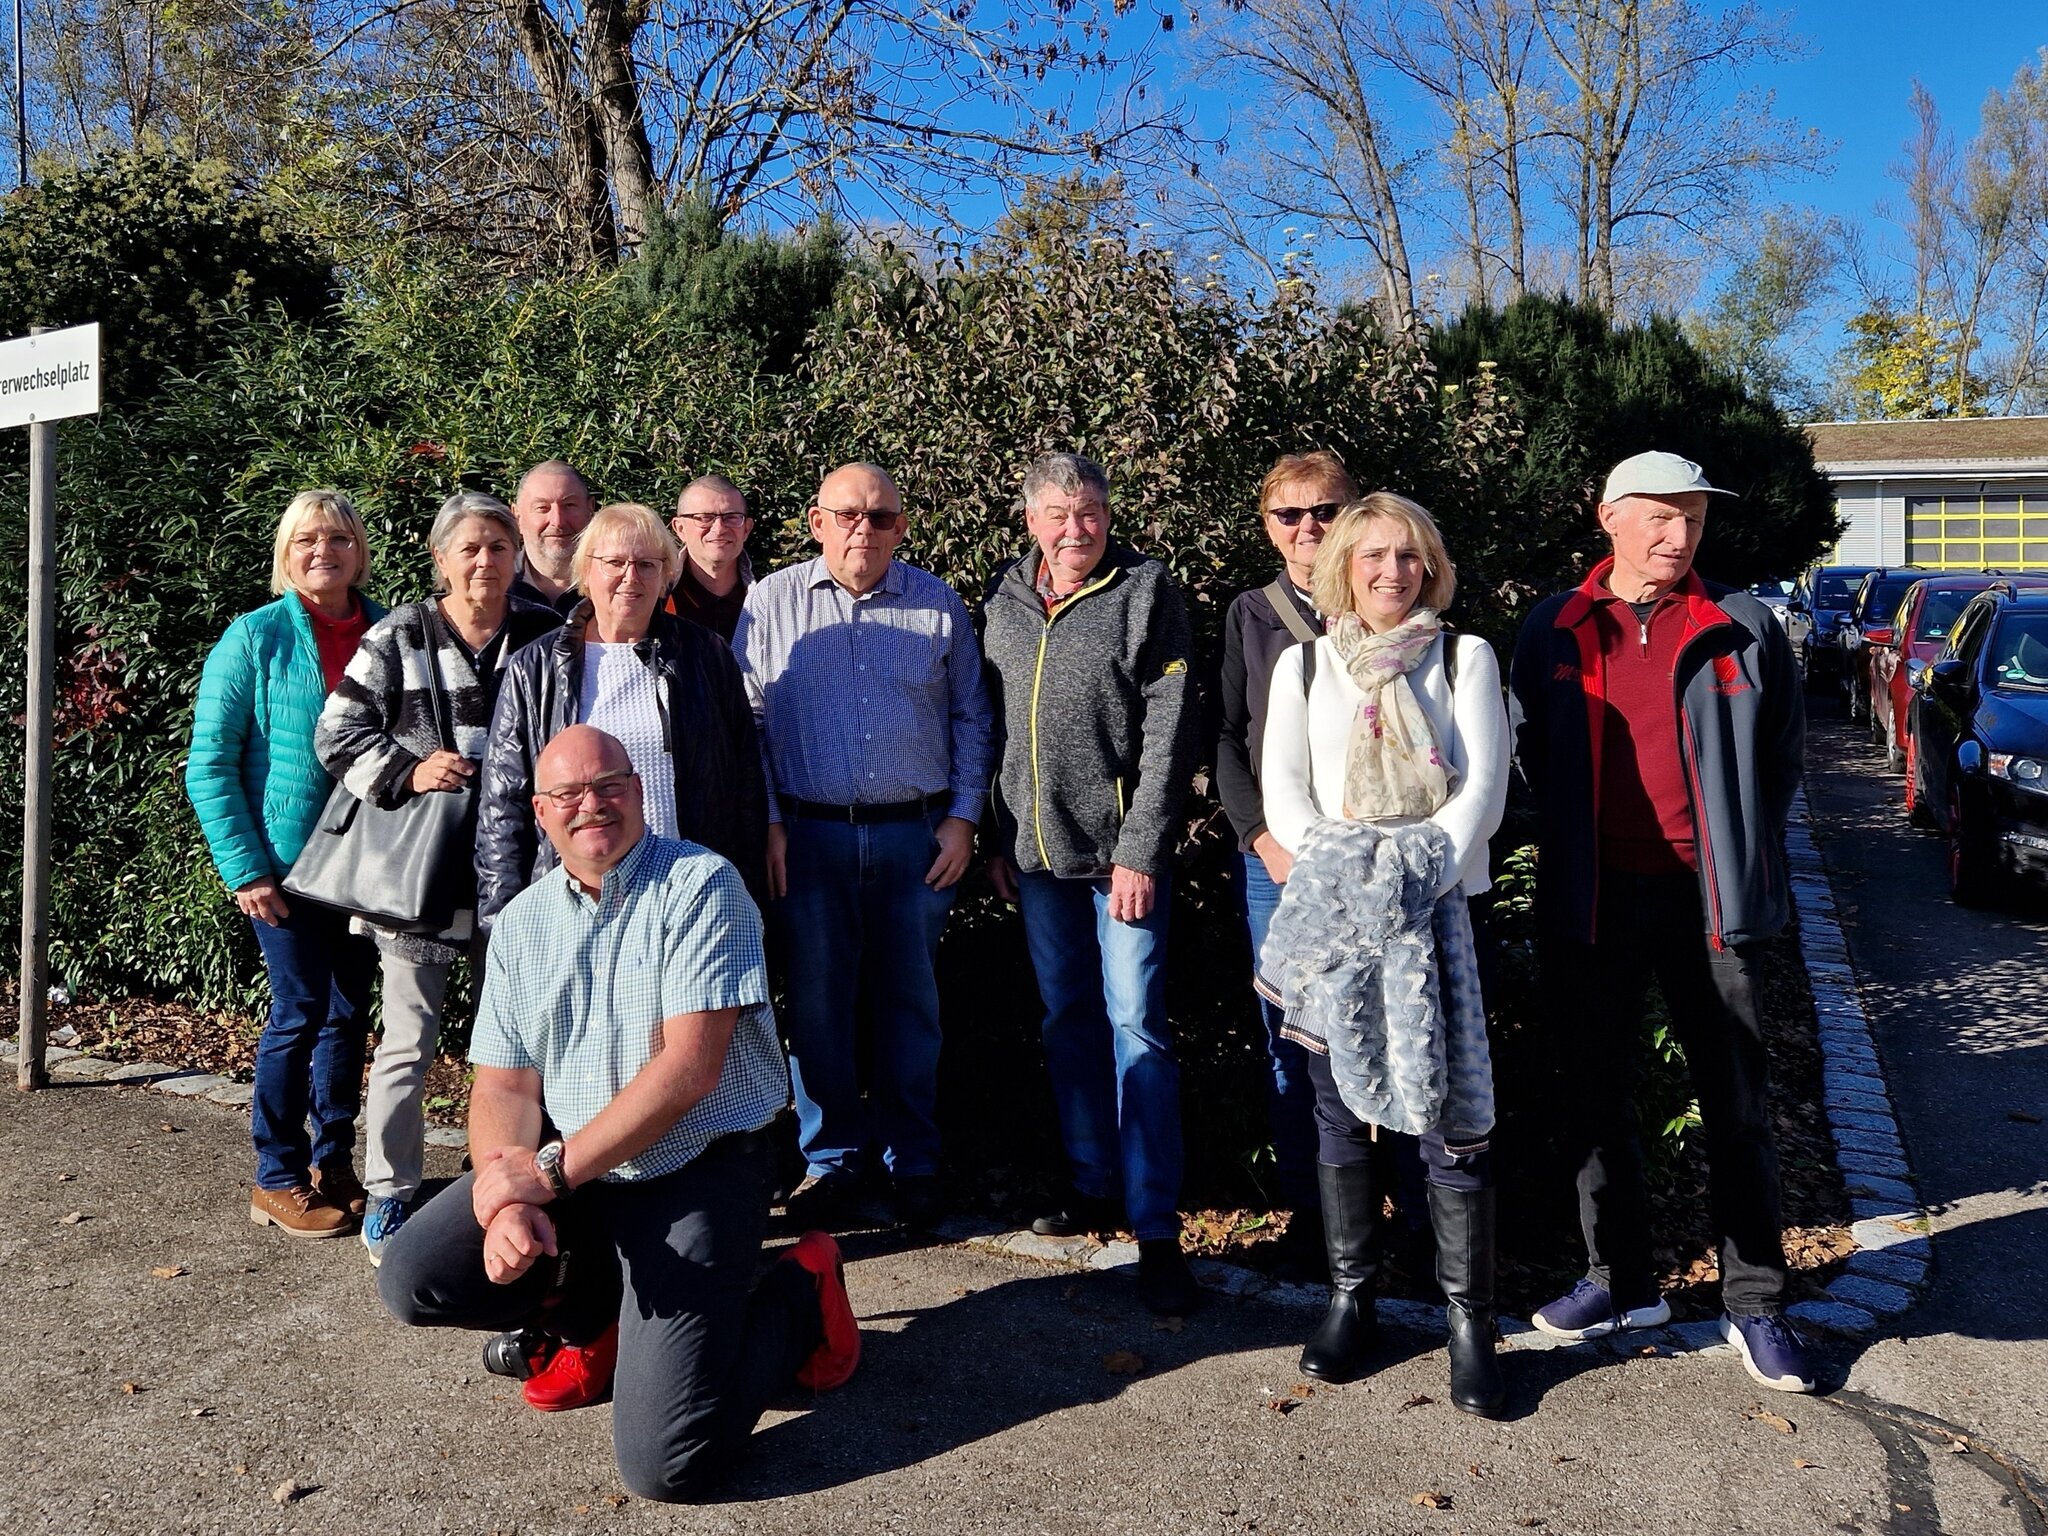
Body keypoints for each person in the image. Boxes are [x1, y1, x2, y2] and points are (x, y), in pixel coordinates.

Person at [377, 726, 858, 1502]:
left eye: (608, 786)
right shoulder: (525, 923)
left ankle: (802, 1288)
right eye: (567, 794)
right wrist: (505, 1201)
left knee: (670, 1466)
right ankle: (596, 1323)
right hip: (580, 1175)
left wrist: (546, 1175)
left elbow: (689, 1071)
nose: (590, 805)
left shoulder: (701, 886)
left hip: (699, 1169)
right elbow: (505, 1089)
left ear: (638, 792)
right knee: (415, 1277)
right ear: (540, 811)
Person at [1508, 450, 1813, 1393]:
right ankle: (1621, 1282)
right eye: (1659, 517)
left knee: (1737, 1108)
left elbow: (1778, 767)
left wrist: (1741, 859)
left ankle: (1755, 1303)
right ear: (1609, 520)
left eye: (1692, 518)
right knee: (1595, 1100)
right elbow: (1526, 762)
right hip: (1592, 899)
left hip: (1708, 904)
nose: (1679, 535)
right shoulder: (1551, 630)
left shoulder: (1746, 628)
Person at [1258, 492, 1509, 1417]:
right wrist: (1349, 868)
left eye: (1409, 557)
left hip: (1433, 909)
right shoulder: (1306, 667)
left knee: (1449, 1105)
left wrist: (1409, 865)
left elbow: (1479, 790)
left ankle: (1468, 1322)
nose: (1392, 572)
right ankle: (1351, 1298)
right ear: (1344, 568)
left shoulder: (1464, 658)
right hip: (1336, 921)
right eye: (1373, 557)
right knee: (1336, 1113)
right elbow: (1286, 793)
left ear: (1430, 566)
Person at [731, 462, 993, 1231]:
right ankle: (833, 1162)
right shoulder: (771, 602)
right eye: (847, 515)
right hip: (807, 839)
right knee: (817, 1008)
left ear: (901, 527)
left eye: (880, 517)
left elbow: (972, 718)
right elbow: (747, 725)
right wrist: (772, 822)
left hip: (917, 838)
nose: (863, 530)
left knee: (912, 1006)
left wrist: (965, 819)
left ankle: (913, 1160)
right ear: (817, 521)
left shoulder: (936, 604)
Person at [313, 492, 564, 1263]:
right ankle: (390, 1192)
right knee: (408, 1042)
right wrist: (410, 768)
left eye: (497, 546)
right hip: (418, 877)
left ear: (517, 555)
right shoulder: (402, 633)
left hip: (520, 873)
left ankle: (518, 1182)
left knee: (527, 1043)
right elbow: (337, 732)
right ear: (440, 559)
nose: (484, 561)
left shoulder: (547, 635)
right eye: (469, 549)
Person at [982, 452, 1203, 1316]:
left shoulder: (1147, 593)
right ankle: (1093, 1183)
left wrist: (1141, 849)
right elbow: (991, 726)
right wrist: (999, 838)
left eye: (1093, 513)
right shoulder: (1000, 604)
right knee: (1066, 1020)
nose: (1079, 530)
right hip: (1035, 863)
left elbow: (1171, 728)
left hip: (1121, 864)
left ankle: (1156, 1231)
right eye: (1062, 515)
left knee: (1138, 1028)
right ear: (1032, 519)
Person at [187, 490, 386, 1237]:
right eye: (307, 540)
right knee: (300, 1012)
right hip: (286, 867)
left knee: (345, 1017)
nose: (323, 552)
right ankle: (275, 1175)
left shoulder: (388, 630)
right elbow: (210, 765)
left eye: (337, 539)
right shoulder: (256, 638)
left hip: (368, 863)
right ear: (286, 552)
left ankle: (334, 1163)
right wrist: (245, 869)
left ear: (358, 550)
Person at [477, 501, 768, 930]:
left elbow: (744, 782)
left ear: (666, 574)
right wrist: (501, 924)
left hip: (686, 892)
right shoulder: (534, 668)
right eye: (615, 562)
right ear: (586, 571)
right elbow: (504, 805)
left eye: (647, 564)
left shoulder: (706, 655)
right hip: (575, 897)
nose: (631, 577)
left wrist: (746, 894)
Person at [1214, 448, 1359, 1272]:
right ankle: (1317, 1220)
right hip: (1283, 868)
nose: (1308, 528)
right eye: (1289, 515)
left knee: (1397, 1038)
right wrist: (1260, 838)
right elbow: (1227, 735)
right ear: (1268, 527)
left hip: (1380, 866)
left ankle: (1411, 1216)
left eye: (1325, 511)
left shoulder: (1390, 591)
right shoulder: (1253, 614)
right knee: (1291, 1041)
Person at [668, 473, 755, 643]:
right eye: (705, 518)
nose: (719, 528)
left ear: (746, 529)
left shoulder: (771, 599)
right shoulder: (657, 599)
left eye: (731, 517)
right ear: (680, 528)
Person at [507, 459, 594, 617]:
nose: (557, 521)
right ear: (517, 516)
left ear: (590, 509)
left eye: (569, 505)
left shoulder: (613, 585)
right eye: (542, 508)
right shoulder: (498, 583)